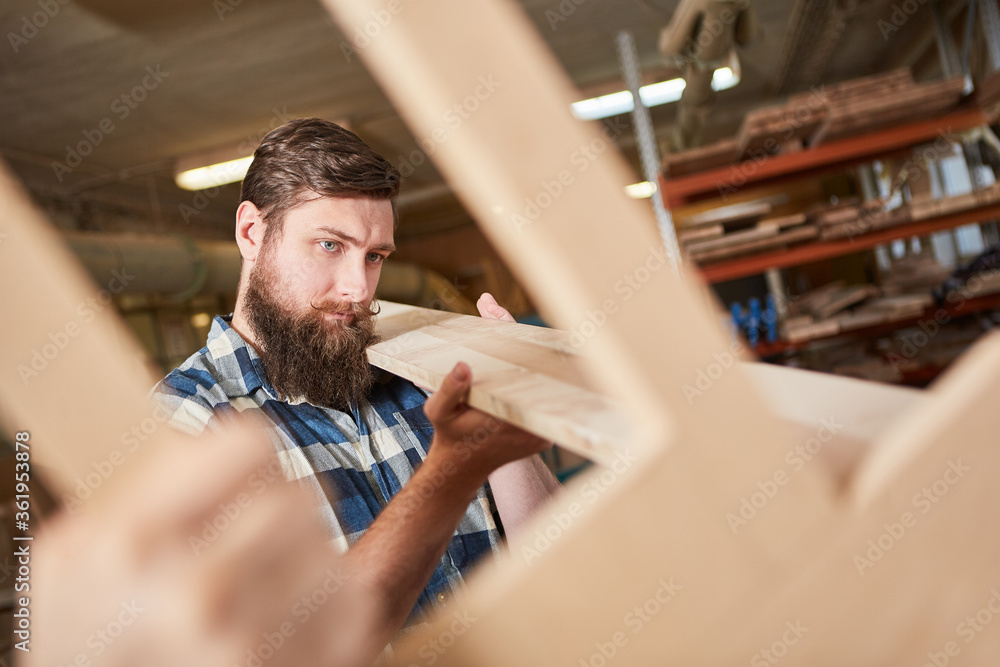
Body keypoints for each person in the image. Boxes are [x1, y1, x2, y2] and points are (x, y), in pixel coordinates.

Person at [150, 117, 559, 658]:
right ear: (251, 232)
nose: (356, 289)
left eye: (374, 257)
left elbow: (553, 556)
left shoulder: (416, 372)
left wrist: (500, 406)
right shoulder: (186, 423)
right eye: (328, 245)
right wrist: (453, 469)